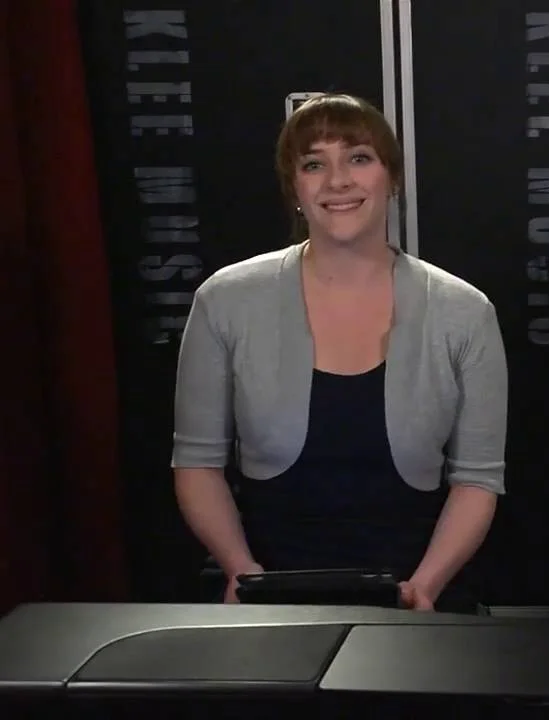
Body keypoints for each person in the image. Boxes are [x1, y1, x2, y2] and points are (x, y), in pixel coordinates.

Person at [170, 93, 508, 613]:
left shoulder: (465, 312)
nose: (337, 181)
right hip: (266, 595)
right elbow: (197, 462)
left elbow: (477, 479)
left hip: (420, 596)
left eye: (358, 158)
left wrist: (425, 588)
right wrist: (241, 571)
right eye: (314, 164)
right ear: (295, 188)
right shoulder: (224, 300)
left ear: (392, 178)